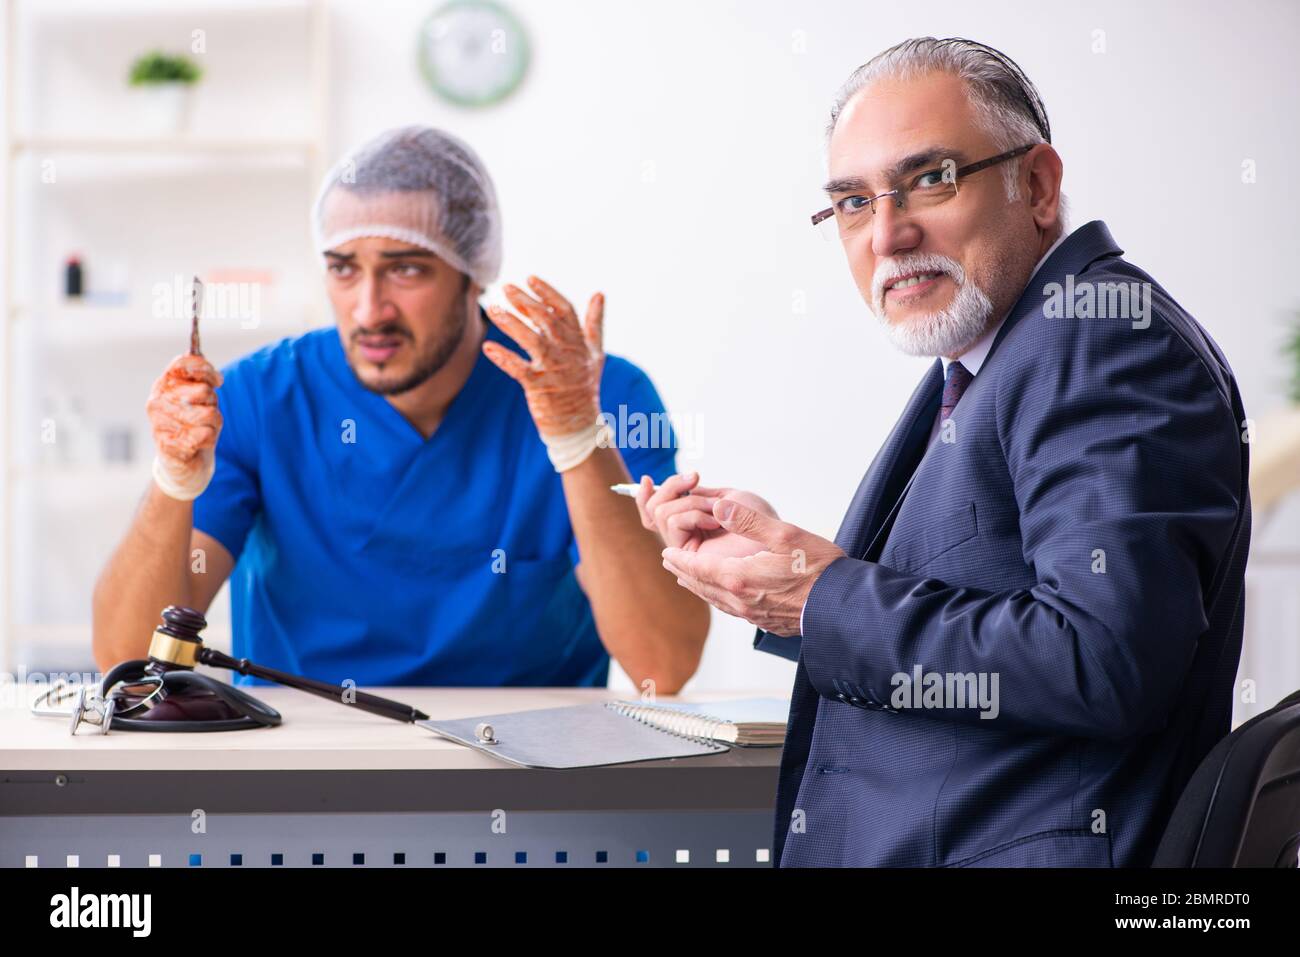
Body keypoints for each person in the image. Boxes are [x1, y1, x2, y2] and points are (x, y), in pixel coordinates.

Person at [638, 37, 1250, 866]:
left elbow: (1101, 659)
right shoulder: (995, 354)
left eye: (930, 179)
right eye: (852, 202)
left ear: (1036, 185)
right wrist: (793, 563)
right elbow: (976, 596)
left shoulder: (1101, 338)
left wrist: (818, 600)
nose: (887, 235)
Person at [94, 125, 708, 691]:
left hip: (534, 772)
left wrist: (578, 441)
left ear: (474, 272)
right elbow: (127, 662)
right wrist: (172, 477)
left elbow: (663, 665)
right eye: (343, 269)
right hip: (303, 767)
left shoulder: (597, 395)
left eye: (406, 269)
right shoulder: (258, 398)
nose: (368, 310)